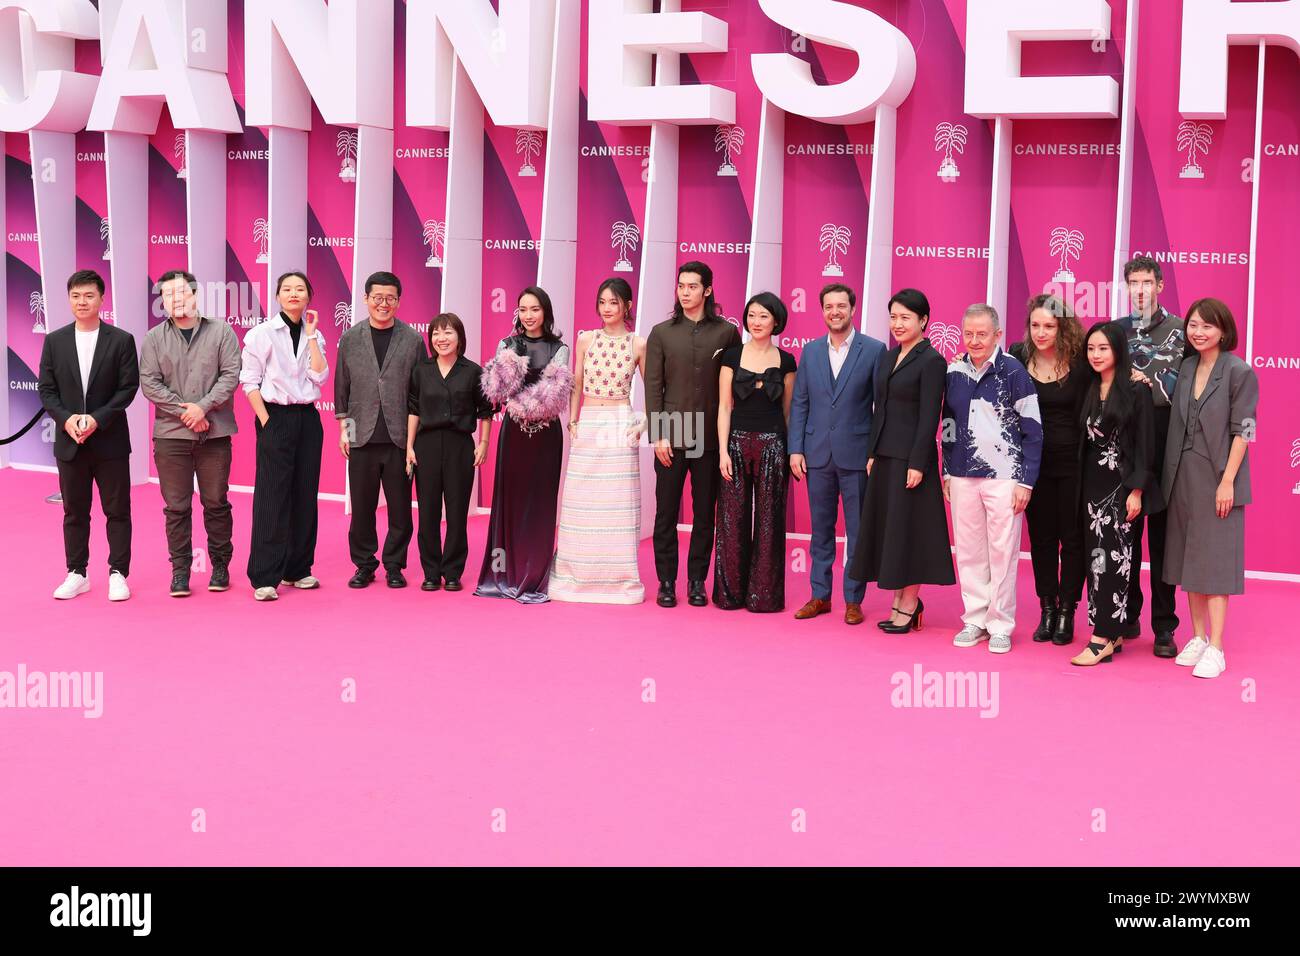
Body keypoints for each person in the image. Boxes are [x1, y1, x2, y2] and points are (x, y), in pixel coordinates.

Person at [1161, 299, 1259, 679]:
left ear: (1223, 330)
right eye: (1193, 325)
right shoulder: (1186, 367)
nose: (1198, 332)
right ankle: (1198, 637)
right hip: (1182, 474)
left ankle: (1216, 646)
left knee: (1215, 563)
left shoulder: (1239, 372)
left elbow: (1245, 429)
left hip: (1218, 477)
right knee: (1190, 559)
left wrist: (1228, 481)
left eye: (1207, 326)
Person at [849, 289, 954, 631]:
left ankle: (909, 603)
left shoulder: (932, 360)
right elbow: (878, 410)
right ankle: (898, 600)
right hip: (884, 456)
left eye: (905, 317)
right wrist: (871, 453)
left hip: (911, 460)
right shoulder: (887, 357)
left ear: (923, 320)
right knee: (890, 531)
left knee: (911, 532)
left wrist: (918, 462)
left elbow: (929, 417)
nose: (897, 323)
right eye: (893, 316)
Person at [943, 304, 1043, 655]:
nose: (974, 340)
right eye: (968, 333)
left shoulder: (1013, 371)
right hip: (962, 474)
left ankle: (1000, 624)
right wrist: (946, 468)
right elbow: (949, 422)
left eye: (982, 334)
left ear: (998, 335)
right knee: (969, 552)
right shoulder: (954, 369)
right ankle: (975, 619)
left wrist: (1025, 481)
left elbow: (1033, 429)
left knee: (1002, 552)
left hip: (1004, 477)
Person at [644, 261, 742, 608]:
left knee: (705, 513)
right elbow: (653, 386)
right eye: (681, 286)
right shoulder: (661, 332)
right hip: (672, 431)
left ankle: (697, 580)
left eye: (692, 286)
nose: (685, 292)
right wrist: (658, 434)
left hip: (710, 435)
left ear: (708, 290)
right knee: (666, 512)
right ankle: (666, 581)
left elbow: (733, 388)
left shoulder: (727, 333)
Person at [38, 269, 139, 602]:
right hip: (70, 442)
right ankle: (77, 572)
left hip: (109, 440)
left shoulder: (121, 340)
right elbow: (47, 390)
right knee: (74, 511)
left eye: (89, 295)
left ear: (101, 298)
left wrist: (97, 419)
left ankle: (118, 573)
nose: (82, 302)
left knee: (117, 510)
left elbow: (128, 388)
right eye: (76, 296)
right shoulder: (55, 341)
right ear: (69, 299)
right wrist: (67, 421)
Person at [139, 269, 241, 597]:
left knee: (215, 502)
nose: (176, 300)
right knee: (176, 506)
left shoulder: (221, 331)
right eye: (168, 295)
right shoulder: (155, 338)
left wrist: (203, 407)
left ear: (195, 295)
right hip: (171, 435)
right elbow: (149, 383)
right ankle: (180, 571)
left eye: (182, 293)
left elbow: (231, 374)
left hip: (215, 432)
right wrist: (187, 412)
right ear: (163, 302)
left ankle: (220, 565)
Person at [788, 284, 885, 625]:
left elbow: (881, 407)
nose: (835, 311)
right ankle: (820, 595)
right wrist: (796, 448)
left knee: (857, 531)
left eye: (841, 305)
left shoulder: (874, 350)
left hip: (857, 455)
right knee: (820, 530)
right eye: (828, 306)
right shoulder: (810, 352)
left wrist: (875, 451)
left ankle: (854, 599)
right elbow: (800, 402)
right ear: (822, 310)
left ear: (853, 309)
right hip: (816, 455)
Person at [1071, 321, 1163, 666]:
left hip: (1121, 489)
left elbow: (1144, 445)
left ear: (1118, 351)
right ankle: (1112, 629)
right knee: (1096, 562)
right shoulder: (1090, 386)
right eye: (1091, 348)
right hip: (1091, 489)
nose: (1095, 355)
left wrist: (1137, 490)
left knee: (1116, 562)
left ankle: (1102, 637)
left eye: (1103, 349)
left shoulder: (1136, 390)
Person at [550, 278, 647, 604]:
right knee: (581, 502)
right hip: (588, 425)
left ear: (627, 306)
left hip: (619, 425)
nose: (607, 309)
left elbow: (654, 389)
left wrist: (644, 422)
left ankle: (618, 579)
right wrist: (573, 421)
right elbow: (575, 383)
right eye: (603, 302)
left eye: (614, 302)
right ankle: (574, 574)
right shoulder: (585, 339)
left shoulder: (638, 344)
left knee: (616, 505)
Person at [475, 287, 574, 603]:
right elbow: (495, 392)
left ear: (545, 311)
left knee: (541, 505)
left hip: (546, 437)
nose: (528, 315)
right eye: (523, 309)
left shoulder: (560, 349)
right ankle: (502, 572)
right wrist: (507, 370)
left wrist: (521, 405)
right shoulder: (508, 345)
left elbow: (554, 396)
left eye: (535, 309)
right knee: (510, 503)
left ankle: (534, 575)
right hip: (513, 435)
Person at [240, 271, 329, 601]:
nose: (294, 294)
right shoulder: (261, 334)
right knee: (271, 496)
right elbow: (248, 381)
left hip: (307, 418)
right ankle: (264, 575)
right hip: (273, 415)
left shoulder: (313, 335)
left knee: (305, 493)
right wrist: (265, 420)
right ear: (277, 296)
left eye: (300, 289)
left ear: (309, 297)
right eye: (287, 289)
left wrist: (311, 336)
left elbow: (319, 376)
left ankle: (298, 568)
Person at [335, 271, 424, 589]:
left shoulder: (413, 340)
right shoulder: (350, 338)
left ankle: (394, 565)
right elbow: (341, 387)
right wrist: (345, 428)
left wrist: (416, 439)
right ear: (366, 299)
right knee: (362, 507)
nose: (383, 303)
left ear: (398, 301)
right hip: (361, 434)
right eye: (377, 297)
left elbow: (420, 391)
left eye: (390, 298)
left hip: (400, 438)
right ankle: (364, 564)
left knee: (401, 509)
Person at [1008, 294, 1088, 645]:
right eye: (1035, 325)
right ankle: (1048, 608)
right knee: (1041, 540)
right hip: (1032, 464)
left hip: (1074, 462)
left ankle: (1068, 610)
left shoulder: (1082, 361)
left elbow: (1110, 382)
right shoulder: (1017, 355)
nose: (1041, 333)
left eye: (1049, 326)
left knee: (1072, 540)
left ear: (1062, 328)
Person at [1117, 256, 1185, 657]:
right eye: (1133, 283)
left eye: (1147, 282)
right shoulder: (1116, 332)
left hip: (1165, 439)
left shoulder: (1181, 330)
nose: (1140, 289)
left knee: (1161, 539)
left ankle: (1164, 626)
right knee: (1125, 536)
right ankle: (1125, 616)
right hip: (1125, 440)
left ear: (1160, 285)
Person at [713, 292, 797, 612]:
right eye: (751, 315)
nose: (756, 322)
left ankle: (763, 595)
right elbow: (723, 407)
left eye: (763, 316)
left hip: (773, 445)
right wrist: (722, 450)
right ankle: (730, 593)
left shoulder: (787, 361)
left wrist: (789, 451)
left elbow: (789, 413)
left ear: (776, 321)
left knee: (769, 521)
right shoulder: (731, 357)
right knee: (732, 519)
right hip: (735, 443)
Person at [406, 313, 493, 591]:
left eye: (448, 333)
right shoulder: (421, 370)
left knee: (456, 513)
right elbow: (414, 409)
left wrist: (483, 443)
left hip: (460, 446)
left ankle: (453, 571)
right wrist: (409, 446)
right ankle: (431, 572)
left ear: (459, 337)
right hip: (427, 445)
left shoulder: (473, 371)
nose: (441, 339)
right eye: (436, 334)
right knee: (428, 512)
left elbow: (486, 410)